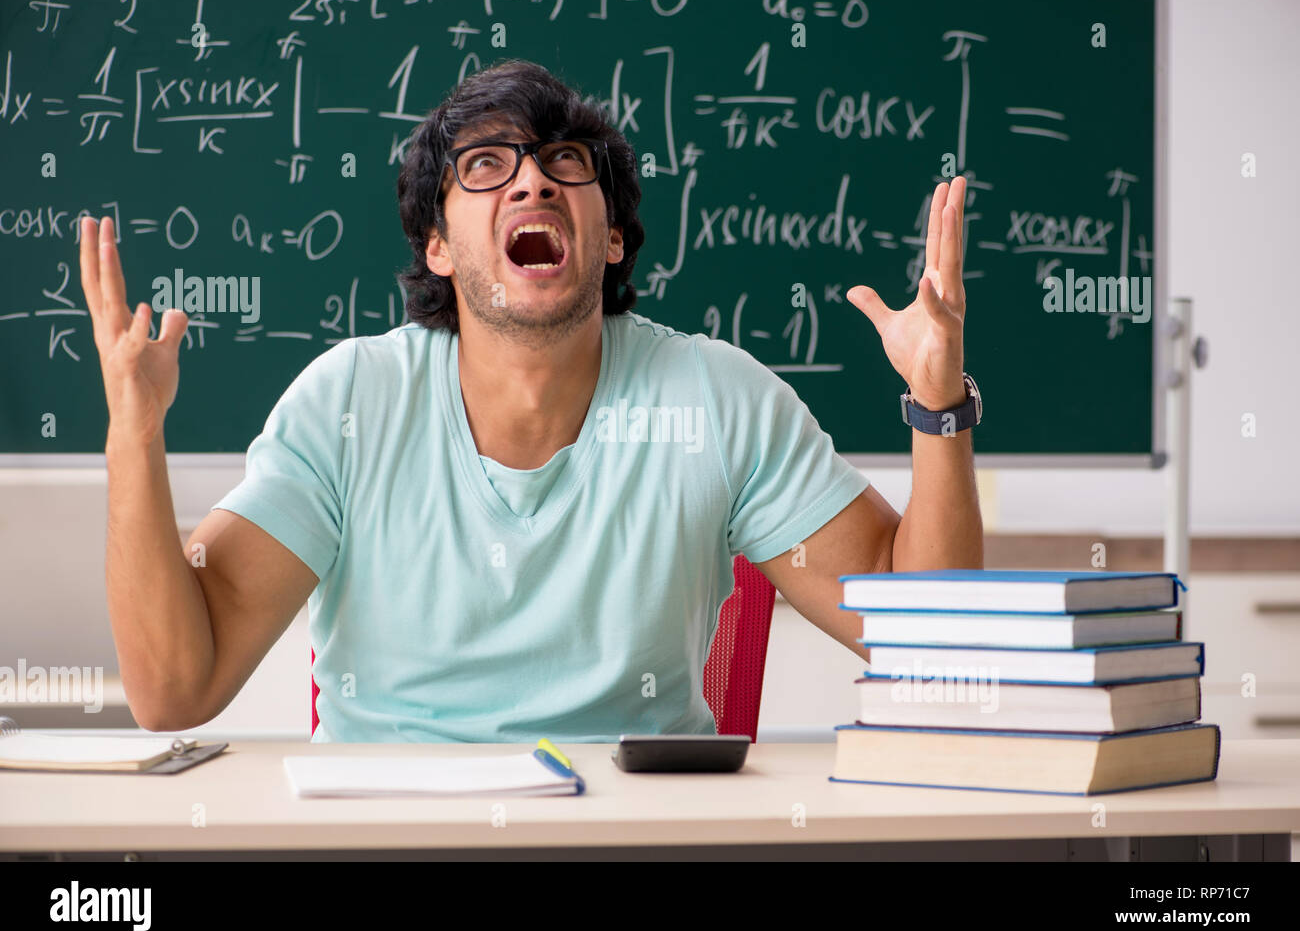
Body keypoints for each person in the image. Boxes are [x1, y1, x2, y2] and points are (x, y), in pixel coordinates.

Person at [79, 59, 982, 741]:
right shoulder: (348, 403)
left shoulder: (716, 397)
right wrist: (132, 434)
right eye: (484, 165)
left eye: (564, 161)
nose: (531, 179)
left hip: (632, 842)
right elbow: (173, 690)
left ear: (615, 238)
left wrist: (939, 404)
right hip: (391, 840)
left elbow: (929, 642)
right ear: (437, 245)